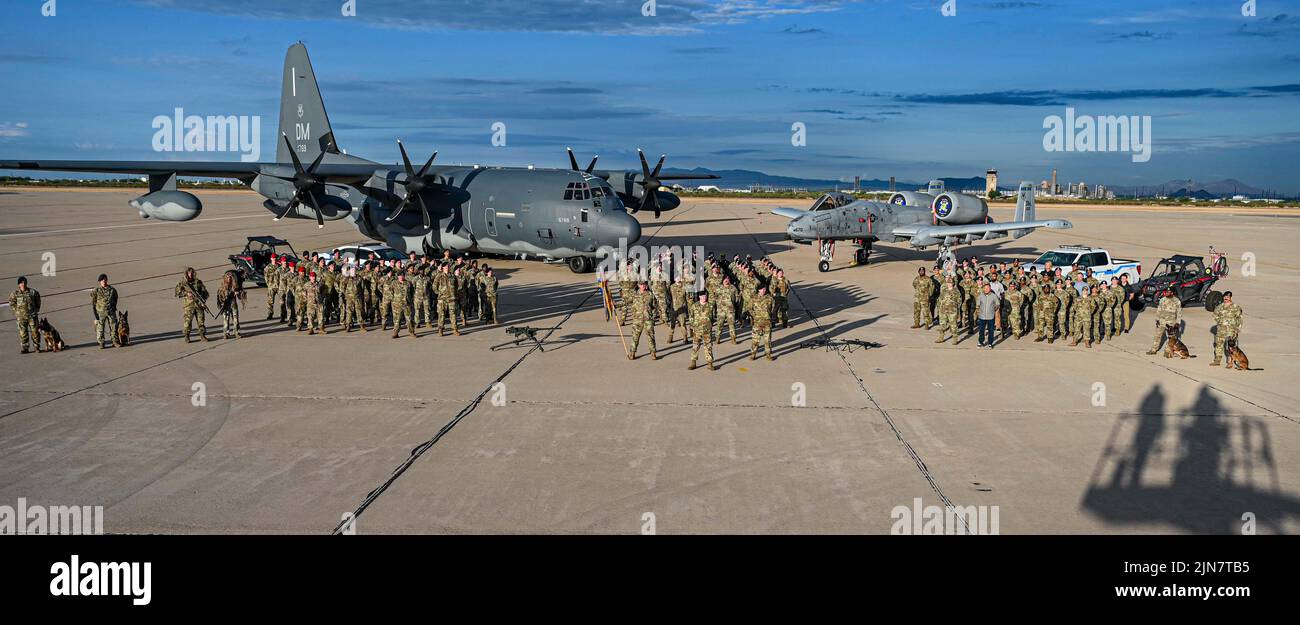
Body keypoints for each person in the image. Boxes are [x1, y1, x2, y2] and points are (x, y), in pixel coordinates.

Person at [174, 267, 209, 343]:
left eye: (192, 273)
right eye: (190, 273)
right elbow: (177, 292)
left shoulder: (198, 282)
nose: (191, 274)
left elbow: (205, 293)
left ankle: (202, 335)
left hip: (199, 305)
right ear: (187, 274)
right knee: (188, 321)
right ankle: (187, 336)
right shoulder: (183, 283)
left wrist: (203, 302)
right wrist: (187, 293)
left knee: (201, 321)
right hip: (189, 306)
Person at [1211, 291, 1244, 367]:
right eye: (1225, 297)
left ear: (1230, 298)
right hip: (1221, 330)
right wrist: (1220, 321)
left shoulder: (1235, 307)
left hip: (1231, 330)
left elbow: (1240, 318)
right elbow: (1215, 315)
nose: (1226, 298)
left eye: (1227, 297)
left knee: (1231, 347)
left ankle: (1230, 362)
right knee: (1218, 344)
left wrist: (1237, 329)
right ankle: (1217, 360)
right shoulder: (1220, 306)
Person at [9, 276, 41, 354]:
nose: (23, 284)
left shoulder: (33, 292)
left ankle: (36, 347)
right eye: (21, 282)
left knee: (35, 332)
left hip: (32, 316)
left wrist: (36, 310)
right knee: (23, 333)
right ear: (18, 284)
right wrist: (16, 311)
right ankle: (25, 348)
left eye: (24, 282)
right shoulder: (15, 293)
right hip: (21, 317)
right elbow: (12, 303)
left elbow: (38, 301)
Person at [1146, 289, 1182, 355]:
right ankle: (1154, 349)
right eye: (1166, 292)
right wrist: (1157, 319)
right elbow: (1159, 309)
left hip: (1171, 322)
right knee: (1157, 335)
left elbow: (1179, 312)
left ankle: (1168, 351)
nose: (1166, 293)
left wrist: (1177, 323)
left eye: (1168, 292)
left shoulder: (1177, 301)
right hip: (1161, 321)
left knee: (1171, 337)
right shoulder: (1162, 299)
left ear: (1172, 292)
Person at [628, 282, 658, 360]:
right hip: (637, 320)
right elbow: (626, 302)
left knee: (651, 337)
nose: (643, 286)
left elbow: (655, 306)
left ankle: (653, 353)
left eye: (645, 284)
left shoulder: (650, 295)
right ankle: (632, 353)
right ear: (638, 285)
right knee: (635, 337)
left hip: (648, 319)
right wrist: (615, 305)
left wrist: (652, 316)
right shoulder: (634, 295)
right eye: (641, 284)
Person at [688, 292, 716, 371]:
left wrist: (710, 324)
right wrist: (693, 326)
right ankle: (693, 362)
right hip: (697, 330)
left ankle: (710, 363)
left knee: (708, 346)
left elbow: (713, 317)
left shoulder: (710, 306)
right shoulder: (694, 306)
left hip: (707, 330)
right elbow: (691, 316)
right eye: (702, 296)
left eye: (705, 296)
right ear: (699, 297)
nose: (704, 297)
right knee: (695, 346)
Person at [90, 273, 119, 348]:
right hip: (101, 312)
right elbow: (93, 302)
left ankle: (115, 341)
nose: (104, 282)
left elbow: (115, 298)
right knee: (100, 328)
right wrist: (95, 314)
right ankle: (101, 343)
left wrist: (113, 306)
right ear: (100, 281)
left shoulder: (112, 290)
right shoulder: (96, 291)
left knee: (114, 327)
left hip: (111, 312)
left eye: (105, 280)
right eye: (103, 280)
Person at [215, 270, 245, 339]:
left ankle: (236, 332)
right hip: (226, 305)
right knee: (226, 319)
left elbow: (241, 296)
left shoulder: (235, 286)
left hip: (233, 304)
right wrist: (222, 303)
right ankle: (226, 333)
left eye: (230, 277)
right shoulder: (222, 287)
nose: (229, 279)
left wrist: (238, 293)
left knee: (235, 318)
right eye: (228, 278)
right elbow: (219, 297)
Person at [749, 285, 775, 361]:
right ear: (758, 290)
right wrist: (755, 316)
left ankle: (768, 354)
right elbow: (750, 308)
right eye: (762, 289)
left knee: (767, 340)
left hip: (767, 322)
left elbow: (773, 308)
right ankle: (753, 354)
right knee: (755, 340)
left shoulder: (770, 298)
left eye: (764, 289)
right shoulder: (754, 298)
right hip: (757, 322)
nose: (763, 291)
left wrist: (770, 316)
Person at [934, 274, 961, 344]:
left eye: (951, 283)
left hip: (952, 311)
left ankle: (955, 338)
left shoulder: (956, 291)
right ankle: (941, 337)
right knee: (942, 325)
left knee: (953, 325)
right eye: (948, 283)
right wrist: (939, 308)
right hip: (943, 310)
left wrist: (956, 309)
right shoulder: (944, 291)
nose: (949, 284)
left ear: (953, 283)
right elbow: (940, 299)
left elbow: (959, 301)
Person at [975, 283, 1000, 348]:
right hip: (982, 316)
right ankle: (980, 342)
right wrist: (978, 312)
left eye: (988, 288)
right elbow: (977, 305)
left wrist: (993, 309)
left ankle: (990, 343)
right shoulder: (980, 296)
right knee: (981, 330)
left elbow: (997, 304)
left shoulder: (993, 296)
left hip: (991, 316)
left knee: (991, 331)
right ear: (983, 289)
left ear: (990, 289)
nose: (986, 289)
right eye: (985, 288)